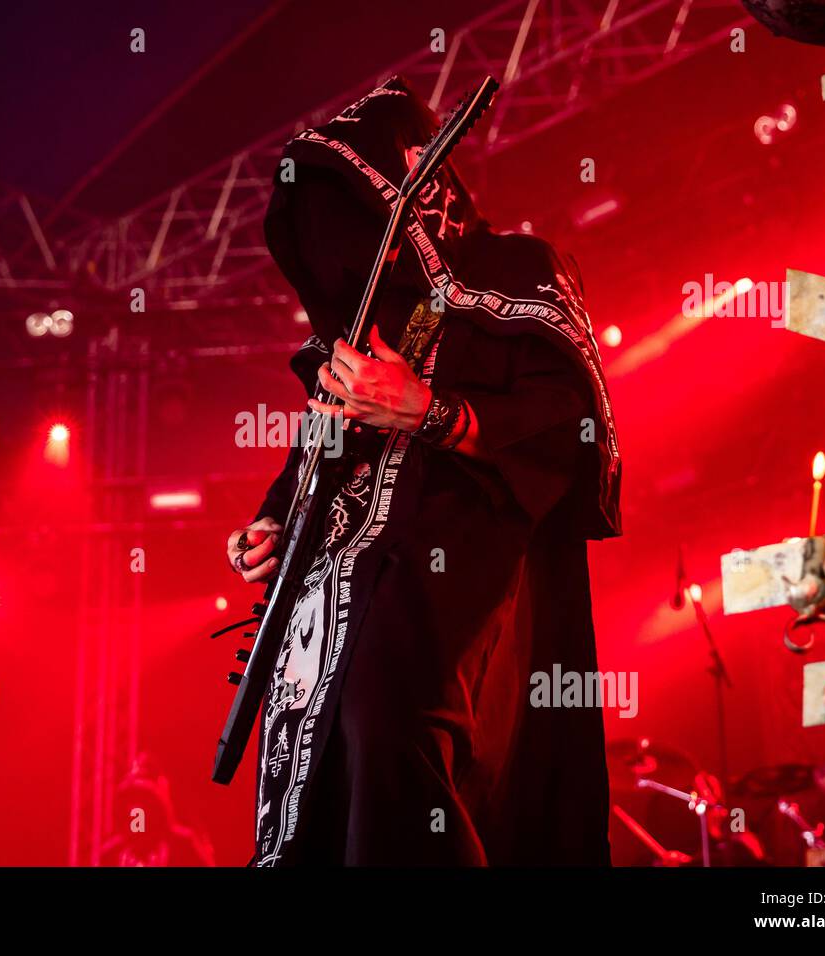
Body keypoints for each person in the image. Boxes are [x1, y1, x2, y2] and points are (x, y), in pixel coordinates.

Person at [223, 77, 622, 866]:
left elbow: (573, 427)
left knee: (394, 731)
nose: (340, 241)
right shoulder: (370, 324)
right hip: (329, 601)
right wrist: (268, 525)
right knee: (323, 763)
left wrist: (433, 412)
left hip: (453, 583)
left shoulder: (516, 266)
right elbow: (315, 452)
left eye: (351, 209)